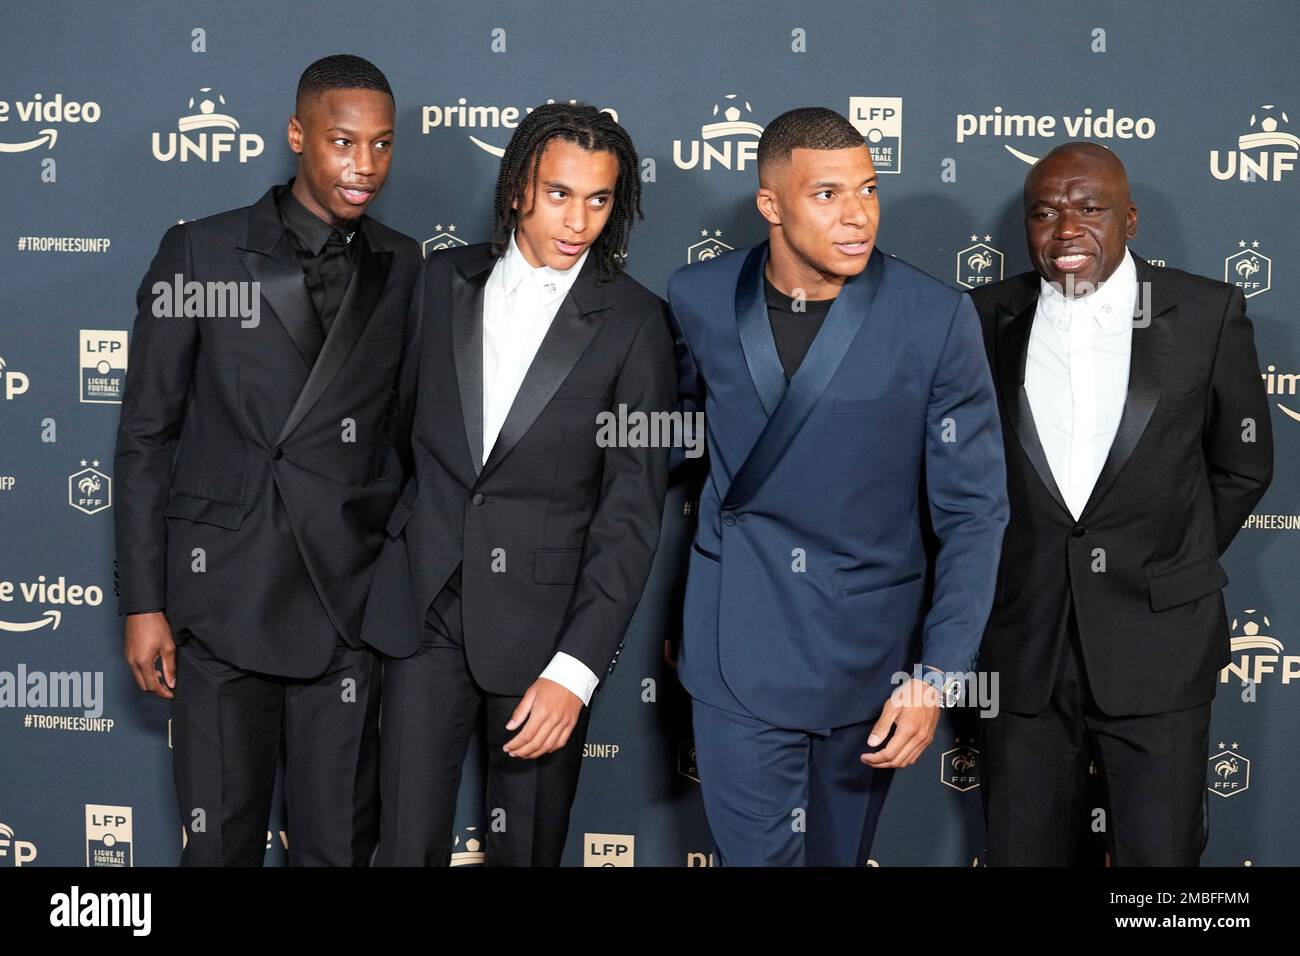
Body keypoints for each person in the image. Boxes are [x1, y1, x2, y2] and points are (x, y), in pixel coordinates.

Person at [667, 107, 1008, 866]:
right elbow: (673, 441)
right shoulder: (699, 296)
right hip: (736, 641)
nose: (857, 216)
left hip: (867, 654)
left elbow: (975, 512)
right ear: (771, 204)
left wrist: (937, 677)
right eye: (826, 195)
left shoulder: (935, 318)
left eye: (869, 190)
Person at [114, 54, 421, 866]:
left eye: (383, 146)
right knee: (219, 848)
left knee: (337, 848)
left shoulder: (405, 265)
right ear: (297, 135)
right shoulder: (201, 253)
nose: (365, 168)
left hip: (345, 608)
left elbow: (410, 434)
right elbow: (147, 437)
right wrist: (143, 602)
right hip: (224, 601)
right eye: (344, 143)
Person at [362, 102, 677, 866]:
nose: (579, 220)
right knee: (402, 845)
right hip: (423, 619)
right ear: (517, 191)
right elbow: (392, 440)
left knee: (527, 851)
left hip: (545, 640)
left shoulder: (637, 324)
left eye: (600, 199)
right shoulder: (439, 281)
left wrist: (574, 671)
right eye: (560, 193)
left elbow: (629, 515)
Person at [968, 141, 1273, 866]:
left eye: (1089, 207)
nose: (1066, 230)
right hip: (1022, 647)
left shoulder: (1205, 313)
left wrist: (1170, 560)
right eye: (1044, 212)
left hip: (1160, 645)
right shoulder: (980, 317)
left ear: (1130, 219)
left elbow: (1242, 464)